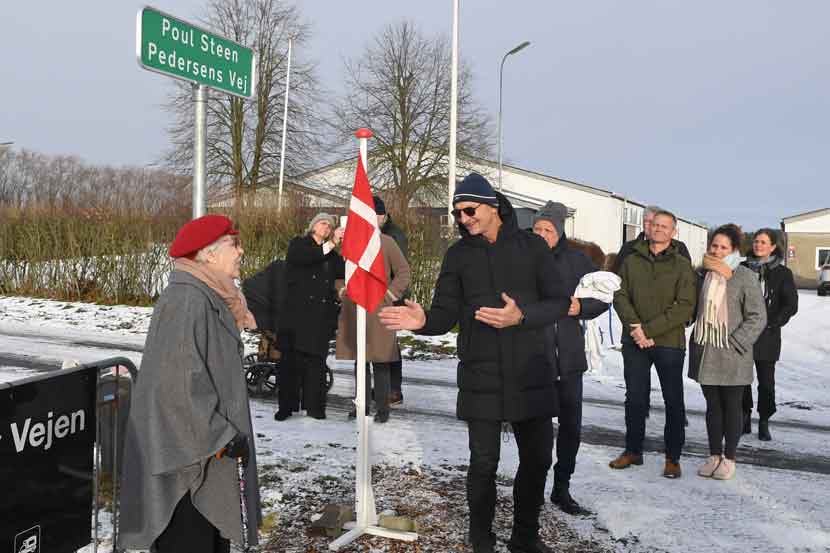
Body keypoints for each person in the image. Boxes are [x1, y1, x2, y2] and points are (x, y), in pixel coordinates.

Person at [380, 173, 569, 553]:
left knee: (537, 459)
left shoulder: (532, 247)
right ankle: (481, 537)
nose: (463, 219)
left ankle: (525, 537)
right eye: (457, 213)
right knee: (483, 463)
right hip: (481, 372)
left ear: (492, 206)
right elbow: (445, 313)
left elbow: (559, 302)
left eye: (469, 210)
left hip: (531, 371)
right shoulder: (458, 255)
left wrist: (521, 316)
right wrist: (423, 321)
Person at [119, 214, 261, 553]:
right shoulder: (186, 300)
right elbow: (176, 386)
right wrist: (223, 436)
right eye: (234, 244)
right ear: (209, 254)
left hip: (204, 455)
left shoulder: (210, 296)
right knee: (189, 540)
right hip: (185, 464)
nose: (241, 251)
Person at [531, 201, 610, 516]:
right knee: (536, 428)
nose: (541, 235)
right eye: (537, 229)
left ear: (559, 232)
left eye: (548, 230)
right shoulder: (522, 257)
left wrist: (582, 307)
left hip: (568, 357)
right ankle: (533, 487)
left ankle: (562, 487)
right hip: (534, 357)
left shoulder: (577, 261)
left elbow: (603, 295)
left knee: (570, 427)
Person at [610, 210, 697, 478]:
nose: (658, 229)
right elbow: (619, 295)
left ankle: (673, 458)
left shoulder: (682, 265)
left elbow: (685, 306)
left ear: (673, 231)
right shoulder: (631, 260)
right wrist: (635, 328)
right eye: (655, 225)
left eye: (664, 226)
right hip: (634, 341)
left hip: (669, 342)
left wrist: (647, 330)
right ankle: (633, 451)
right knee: (635, 398)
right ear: (648, 227)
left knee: (673, 400)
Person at [688, 225, 767, 480]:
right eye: (714, 245)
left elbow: (758, 316)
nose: (717, 251)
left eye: (724, 247)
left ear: (734, 250)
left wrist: (737, 341)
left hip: (733, 353)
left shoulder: (744, 276)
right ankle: (714, 455)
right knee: (713, 407)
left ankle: (729, 458)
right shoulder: (703, 274)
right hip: (707, 350)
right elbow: (694, 309)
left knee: (732, 407)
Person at [336, 196, 411, 423]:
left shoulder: (387, 242)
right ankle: (361, 405)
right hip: (356, 309)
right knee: (360, 362)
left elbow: (403, 272)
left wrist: (389, 295)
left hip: (380, 310)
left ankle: (383, 409)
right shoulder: (352, 243)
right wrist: (341, 290)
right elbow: (339, 272)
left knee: (381, 362)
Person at [274, 212, 345, 421]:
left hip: (320, 317)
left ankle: (315, 408)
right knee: (290, 364)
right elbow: (307, 257)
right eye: (323, 223)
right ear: (313, 226)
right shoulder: (298, 244)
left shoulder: (331, 254)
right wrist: (332, 243)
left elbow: (343, 270)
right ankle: (287, 407)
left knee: (316, 364)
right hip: (296, 316)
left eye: (329, 226)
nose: (326, 227)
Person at [741, 228, 798, 440]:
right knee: (741, 380)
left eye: (763, 242)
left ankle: (764, 419)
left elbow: (790, 304)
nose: (758, 245)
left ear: (773, 246)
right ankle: (744, 416)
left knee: (766, 383)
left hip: (768, 335)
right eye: (756, 241)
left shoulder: (783, 273)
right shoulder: (742, 268)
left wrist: (774, 323)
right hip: (743, 333)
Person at [373, 195, 410, 408]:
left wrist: (390, 295)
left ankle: (394, 390)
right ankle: (385, 387)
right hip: (379, 298)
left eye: (378, 214)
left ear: (384, 215)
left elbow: (398, 268)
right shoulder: (377, 233)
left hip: (391, 297)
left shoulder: (393, 236)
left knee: (389, 346)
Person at [611, 205, 691, 274]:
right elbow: (617, 275)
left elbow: (687, 276)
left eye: (654, 222)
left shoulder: (679, 247)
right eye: (647, 221)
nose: (651, 225)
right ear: (643, 223)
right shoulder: (628, 248)